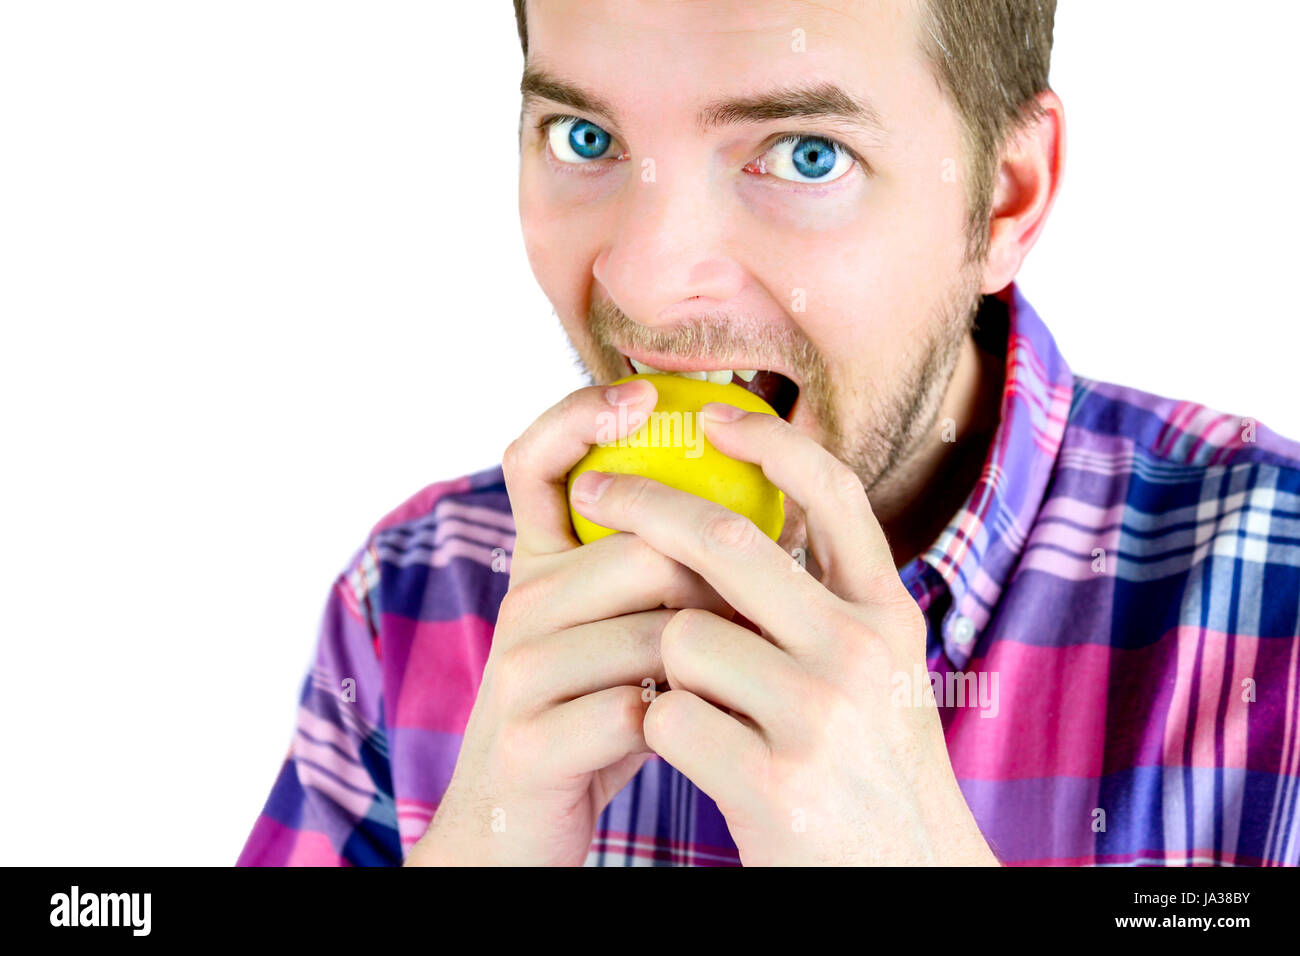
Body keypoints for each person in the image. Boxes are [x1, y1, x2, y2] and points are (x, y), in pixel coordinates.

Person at [237, 0, 1300, 866]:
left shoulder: (1275, 606)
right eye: (585, 137)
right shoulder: (415, 600)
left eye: (802, 154)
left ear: (1003, 201)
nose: (645, 282)